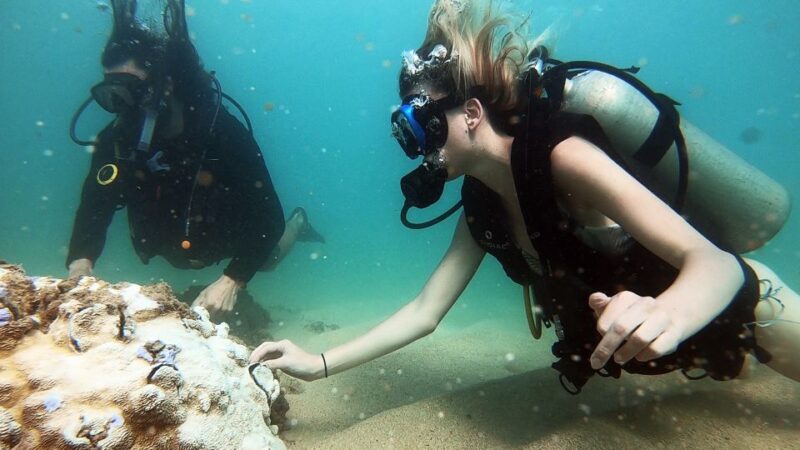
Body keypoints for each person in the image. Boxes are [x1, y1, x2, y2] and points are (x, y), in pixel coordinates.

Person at [250, 0, 799, 392]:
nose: (420, 151)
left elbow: (715, 264)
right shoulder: (481, 204)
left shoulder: (562, 157)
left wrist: (669, 313)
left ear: (471, 113)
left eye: (422, 127)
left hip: (752, 311)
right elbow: (425, 312)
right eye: (408, 137)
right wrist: (318, 362)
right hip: (682, 347)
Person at [67, 0, 324, 315]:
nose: (123, 107)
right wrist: (80, 264)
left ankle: (298, 223)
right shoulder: (117, 140)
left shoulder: (222, 133)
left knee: (267, 260)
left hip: (226, 235)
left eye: (131, 90)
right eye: (111, 95)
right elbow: (95, 206)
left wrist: (233, 279)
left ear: (164, 85)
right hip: (171, 243)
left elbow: (268, 219)